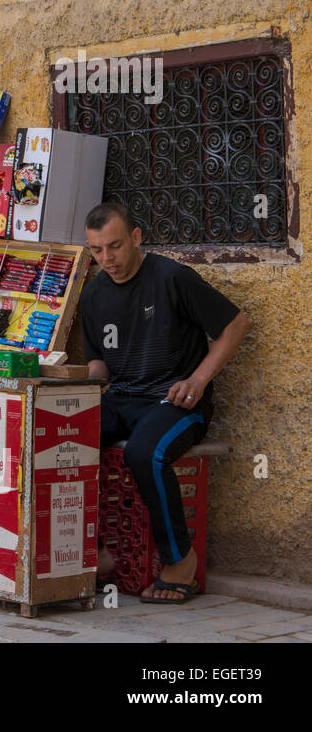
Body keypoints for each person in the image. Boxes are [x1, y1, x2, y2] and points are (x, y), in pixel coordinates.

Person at [81, 202, 250, 603]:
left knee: (144, 453)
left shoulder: (173, 277)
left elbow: (236, 324)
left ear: (137, 237)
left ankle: (181, 561)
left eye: (116, 246)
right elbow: (98, 366)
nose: (107, 259)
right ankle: (96, 551)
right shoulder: (92, 295)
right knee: (62, 436)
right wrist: (73, 393)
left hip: (176, 404)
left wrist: (198, 379)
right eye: (96, 250)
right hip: (121, 398)